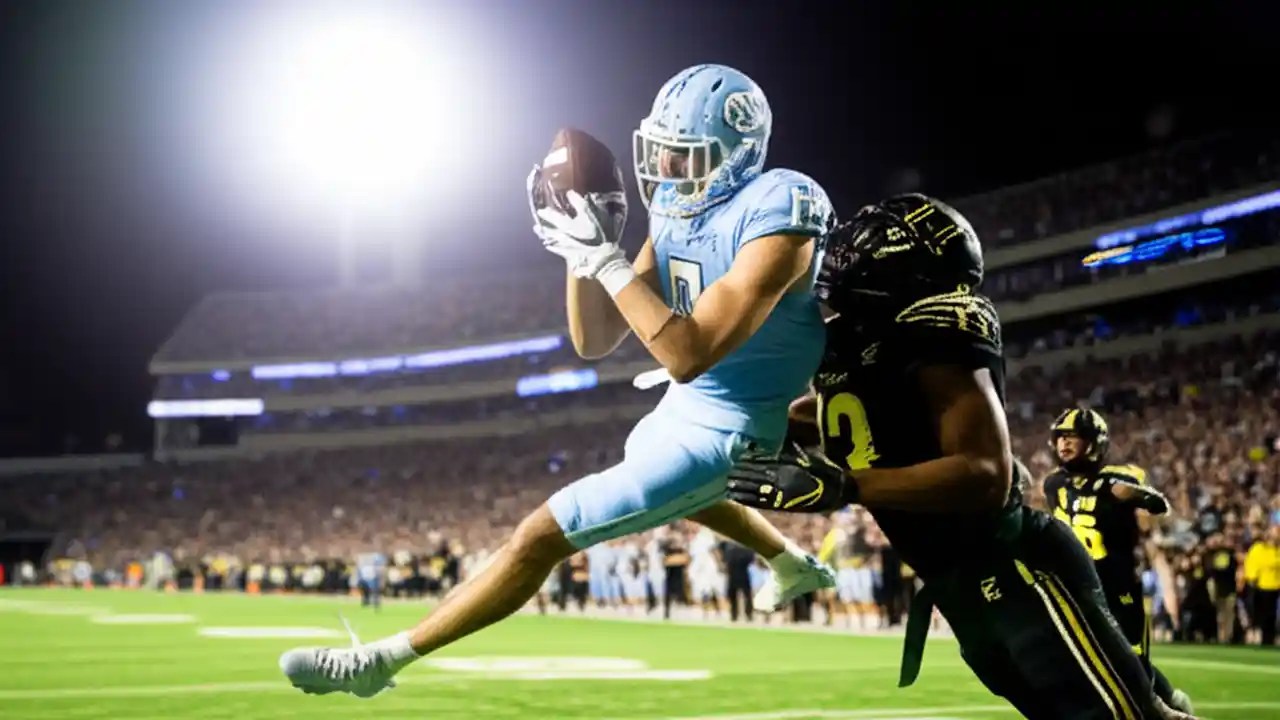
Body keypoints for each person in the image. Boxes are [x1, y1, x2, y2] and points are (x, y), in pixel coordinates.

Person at [278, 63, 836, 698]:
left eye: (687, 158)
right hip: (690, 404)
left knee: (540, 535)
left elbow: (686, 353)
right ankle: (791, 561)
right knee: (665, 480)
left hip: (739, 423)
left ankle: (380, 662)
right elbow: (595, 340)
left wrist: (608, 259)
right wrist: (582, 255)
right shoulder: (680, 212)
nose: (669, 173)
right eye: (663, 154)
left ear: (738, 157)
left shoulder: (781, 209)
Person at [725, 194, 1198, 720]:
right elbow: (858, 408)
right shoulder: (856, 339)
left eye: (876, 241)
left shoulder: (938, 325)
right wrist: (769, 427)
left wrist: (844, 487)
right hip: (958, 584)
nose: (847, 252)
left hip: (1014, 567)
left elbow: (985, 474)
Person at [1043, 408, 1192, 710]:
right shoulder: (1054, 484)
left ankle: (1170, 706)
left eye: (1073, 437)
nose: (1064, 444)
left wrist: (1135, 495)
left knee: (1131, 661)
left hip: (1116, 586)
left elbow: (1155, 503)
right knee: (1080, 660)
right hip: (1075, 588)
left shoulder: (1119, 478)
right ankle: (1167, 704)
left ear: (1094, 443)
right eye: (1060, 437)